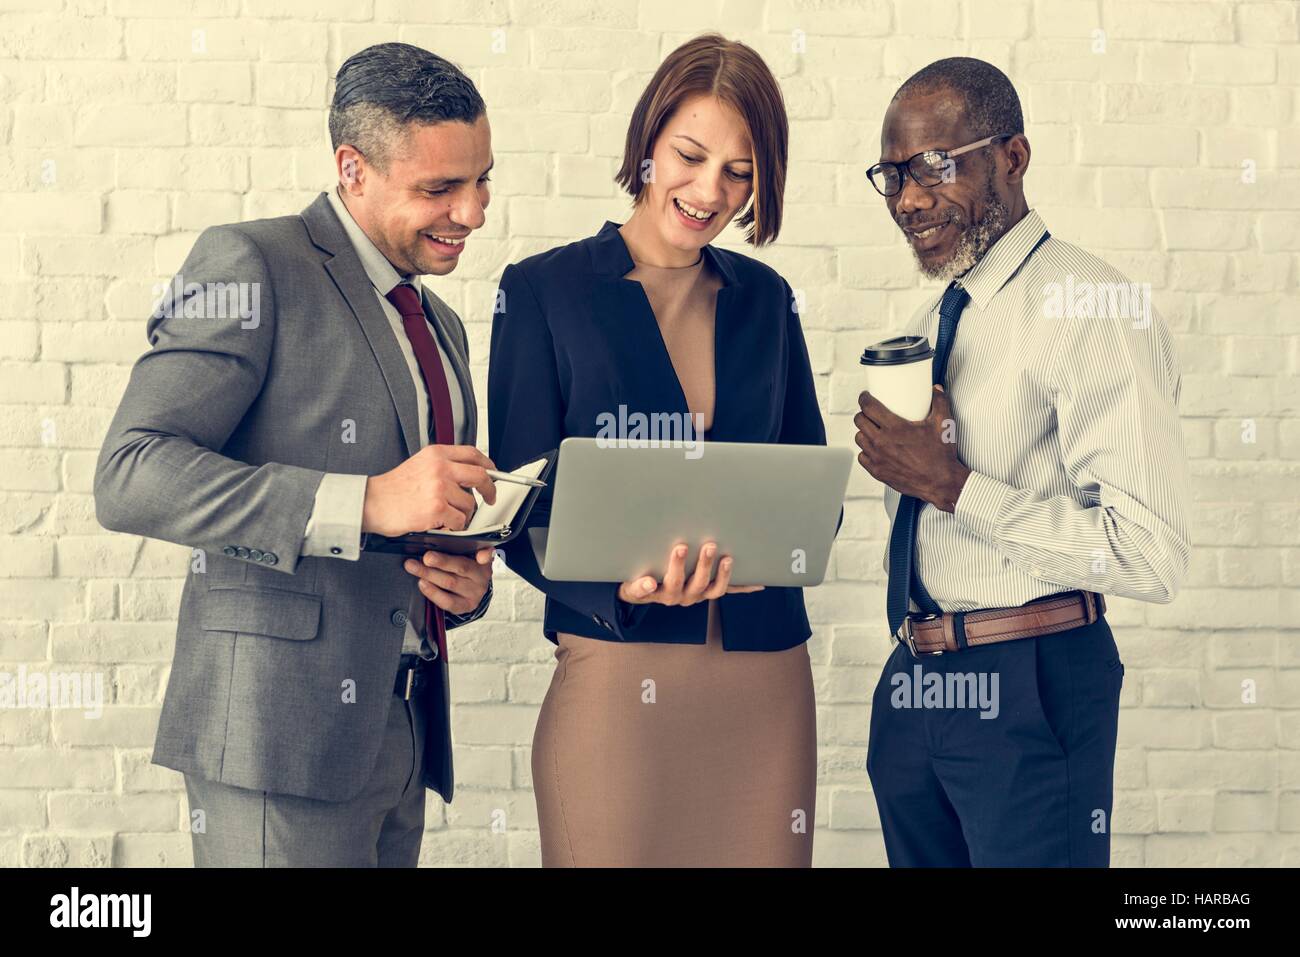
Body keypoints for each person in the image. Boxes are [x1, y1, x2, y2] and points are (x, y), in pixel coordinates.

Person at [94, 42, 499, 866]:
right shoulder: (253, 263)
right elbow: (131, 470)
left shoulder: (441, 325)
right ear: (353, 169)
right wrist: (366, 501)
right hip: (276, 739)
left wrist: (462, 585)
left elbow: (422, 515)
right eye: (440, 188)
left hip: (405, 727)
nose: (475, 211)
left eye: (483, 178)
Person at [488, 33, 829, 867]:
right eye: (690, 154)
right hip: (615, 673)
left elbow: (811, 482)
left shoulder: (768, 300)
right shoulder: (541, 291)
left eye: (739, 171)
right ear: (648, 143)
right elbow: (519, 507)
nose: (709, 190)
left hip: (765, 680)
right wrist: (622, 587)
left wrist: (777, 540)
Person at [856, 57, 1191, 867]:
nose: (909, 198)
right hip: (919, 681)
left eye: (936, 165)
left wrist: (953, 485)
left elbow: (1150, 553)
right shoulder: (938, 311)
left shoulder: (1090, 306)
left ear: (1012, 156)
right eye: (894, 174)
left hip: (1030, 684)